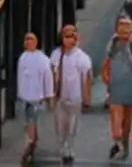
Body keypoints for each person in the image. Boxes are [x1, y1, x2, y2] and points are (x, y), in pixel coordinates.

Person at [102, 16, 132, 160]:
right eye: (121, 27)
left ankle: (125, 145)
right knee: (116, 114)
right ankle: (117, 139)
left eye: (127, 28)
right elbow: (107, 61)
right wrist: (107, 78)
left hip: (130, 83)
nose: (124, 31)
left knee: (127, 119)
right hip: (116, 84)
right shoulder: (113, 43)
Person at [49, 24, 93, 164]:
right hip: (60, 95)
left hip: (75, 96)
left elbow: (86, 78)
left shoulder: (82, 57)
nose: (69, 40)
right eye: (66, 36)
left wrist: (87, 97)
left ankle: (70, 146)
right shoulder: (56, 54)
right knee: (60, 124)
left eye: (72, 36)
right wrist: (51, 94)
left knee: (72, 124)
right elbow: (52, 74)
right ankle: (62, 146)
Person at [16, 33, 54, 165]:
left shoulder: (43, 59)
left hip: (36, 97)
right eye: (26, 39)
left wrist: (49, 97)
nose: (28, 42)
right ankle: (32, 142)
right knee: (29, 123)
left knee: (31, 122)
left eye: (30, 39)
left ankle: (29, 147)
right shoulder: (23, 57)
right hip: (24, 97)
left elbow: (48, 79)